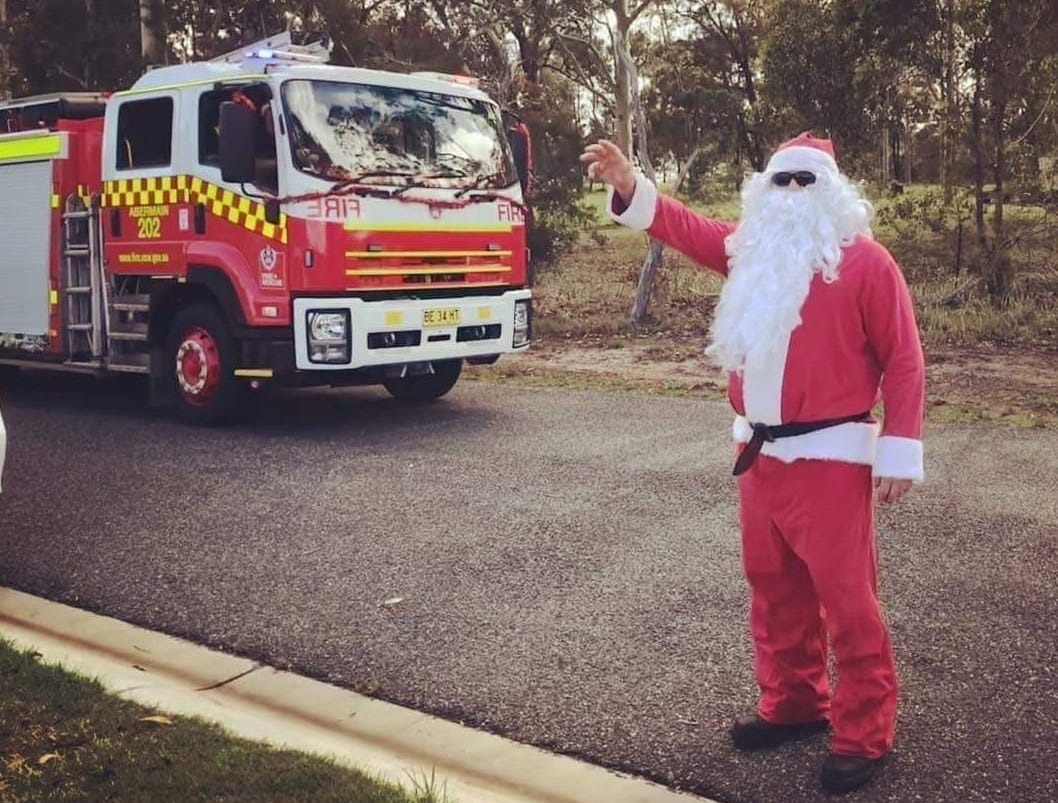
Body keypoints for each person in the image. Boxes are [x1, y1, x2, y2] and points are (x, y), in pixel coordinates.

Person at [580, 133, 925, 794]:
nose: (793, 194)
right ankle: (795, 703)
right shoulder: (748, 251)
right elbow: (682, 226)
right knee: (774, 587)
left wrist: (898, 449)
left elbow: (905, 359)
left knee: (847, 598)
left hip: (830, 459)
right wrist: (629, 182)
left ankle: (864, 730)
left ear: (832, 192)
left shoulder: (867, 263)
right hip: (759, 455)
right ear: (764, 190)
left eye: (806, 182)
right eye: (782, 182)